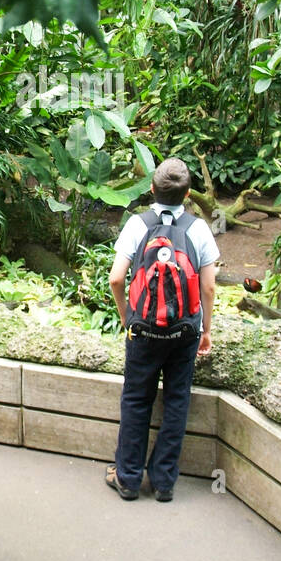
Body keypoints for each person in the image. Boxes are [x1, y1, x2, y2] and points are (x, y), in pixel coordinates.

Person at [106, 158, 218, 502]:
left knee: (137, 399)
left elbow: (115, 278)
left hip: (143, 330)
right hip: (184, 332)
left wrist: (127, 315)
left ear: (151, 189)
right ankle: (164, 482)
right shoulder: (198, 229)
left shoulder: (137, 224)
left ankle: (126, 478)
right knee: (176, 400)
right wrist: (206, 330)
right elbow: (209, 288)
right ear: (187, 196)